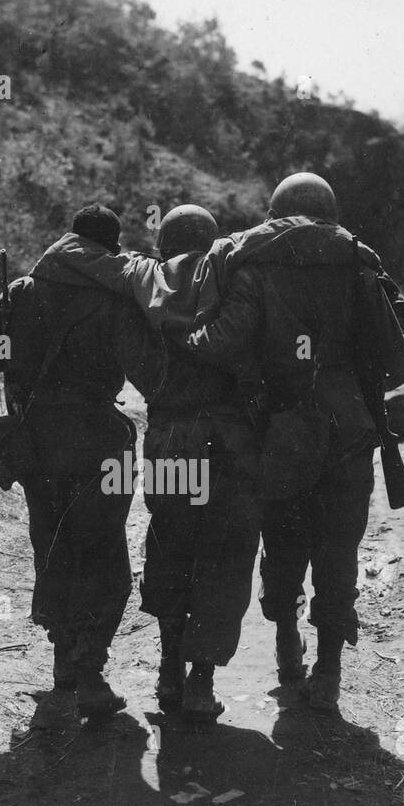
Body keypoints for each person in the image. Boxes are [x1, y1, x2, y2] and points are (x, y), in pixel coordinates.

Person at [176, 173, 404, 712]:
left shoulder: (255, 262)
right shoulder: (359, 263)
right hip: (348, 429)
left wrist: (183, 338)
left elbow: (223, 340)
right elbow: (397, 358)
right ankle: (328, 671)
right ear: (329, 209)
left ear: (277, 212)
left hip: (281, 428)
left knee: (283, 538)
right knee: (339, 546)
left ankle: (286, 639)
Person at [0, 205, 155, 720]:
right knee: (103, 553)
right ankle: (90, 671)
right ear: (109, 250)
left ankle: (63, 663)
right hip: (100, 445)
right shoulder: (116, 295)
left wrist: (9, 324)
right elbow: (148, 374)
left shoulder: (24, 290)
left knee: (52, 547)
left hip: (39, 443)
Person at [122, 206, 261, 729]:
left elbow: (134, 361)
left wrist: (166, 388)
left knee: (172, 544)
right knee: (224, 556)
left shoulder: (146, 290)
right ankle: (201, 681)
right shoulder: (237, 281)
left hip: (173, 442)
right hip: (231, 445)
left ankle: (167, 669)